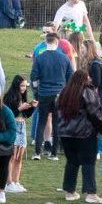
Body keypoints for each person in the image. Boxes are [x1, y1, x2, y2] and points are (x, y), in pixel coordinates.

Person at [56, 69, 102, 204]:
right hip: (84, 133)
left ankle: (69, 191)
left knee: (72, 162)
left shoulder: (64, 92)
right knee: (88, 162)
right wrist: (100, 127)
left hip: (65, 133)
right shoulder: (87, 91)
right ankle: (91, 193)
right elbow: (94, 112)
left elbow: (57, 110)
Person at [29, 30, 71, 160]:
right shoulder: (64, 58)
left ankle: (37, 152)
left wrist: (36, 92)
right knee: (57, 122)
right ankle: (53, 153)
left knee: (41, 121)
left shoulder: (40, 58)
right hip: (59, 94)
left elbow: (34, 77)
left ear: (46, 42)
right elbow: (70, 77)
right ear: (57, 42)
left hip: (44, 93)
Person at [3, 75, 34, 193]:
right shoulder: (9, 97)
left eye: (25, 86)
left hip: (22, 126)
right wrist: (20, 108)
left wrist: (32, 107)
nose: (24, 88)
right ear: (16, 85)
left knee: (19, 156)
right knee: (11, 156)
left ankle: (16, 181)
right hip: (13, 126)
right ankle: (8, 183)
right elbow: (8, 114)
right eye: (22, 85)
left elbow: (26, 115)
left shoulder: (23, 96)